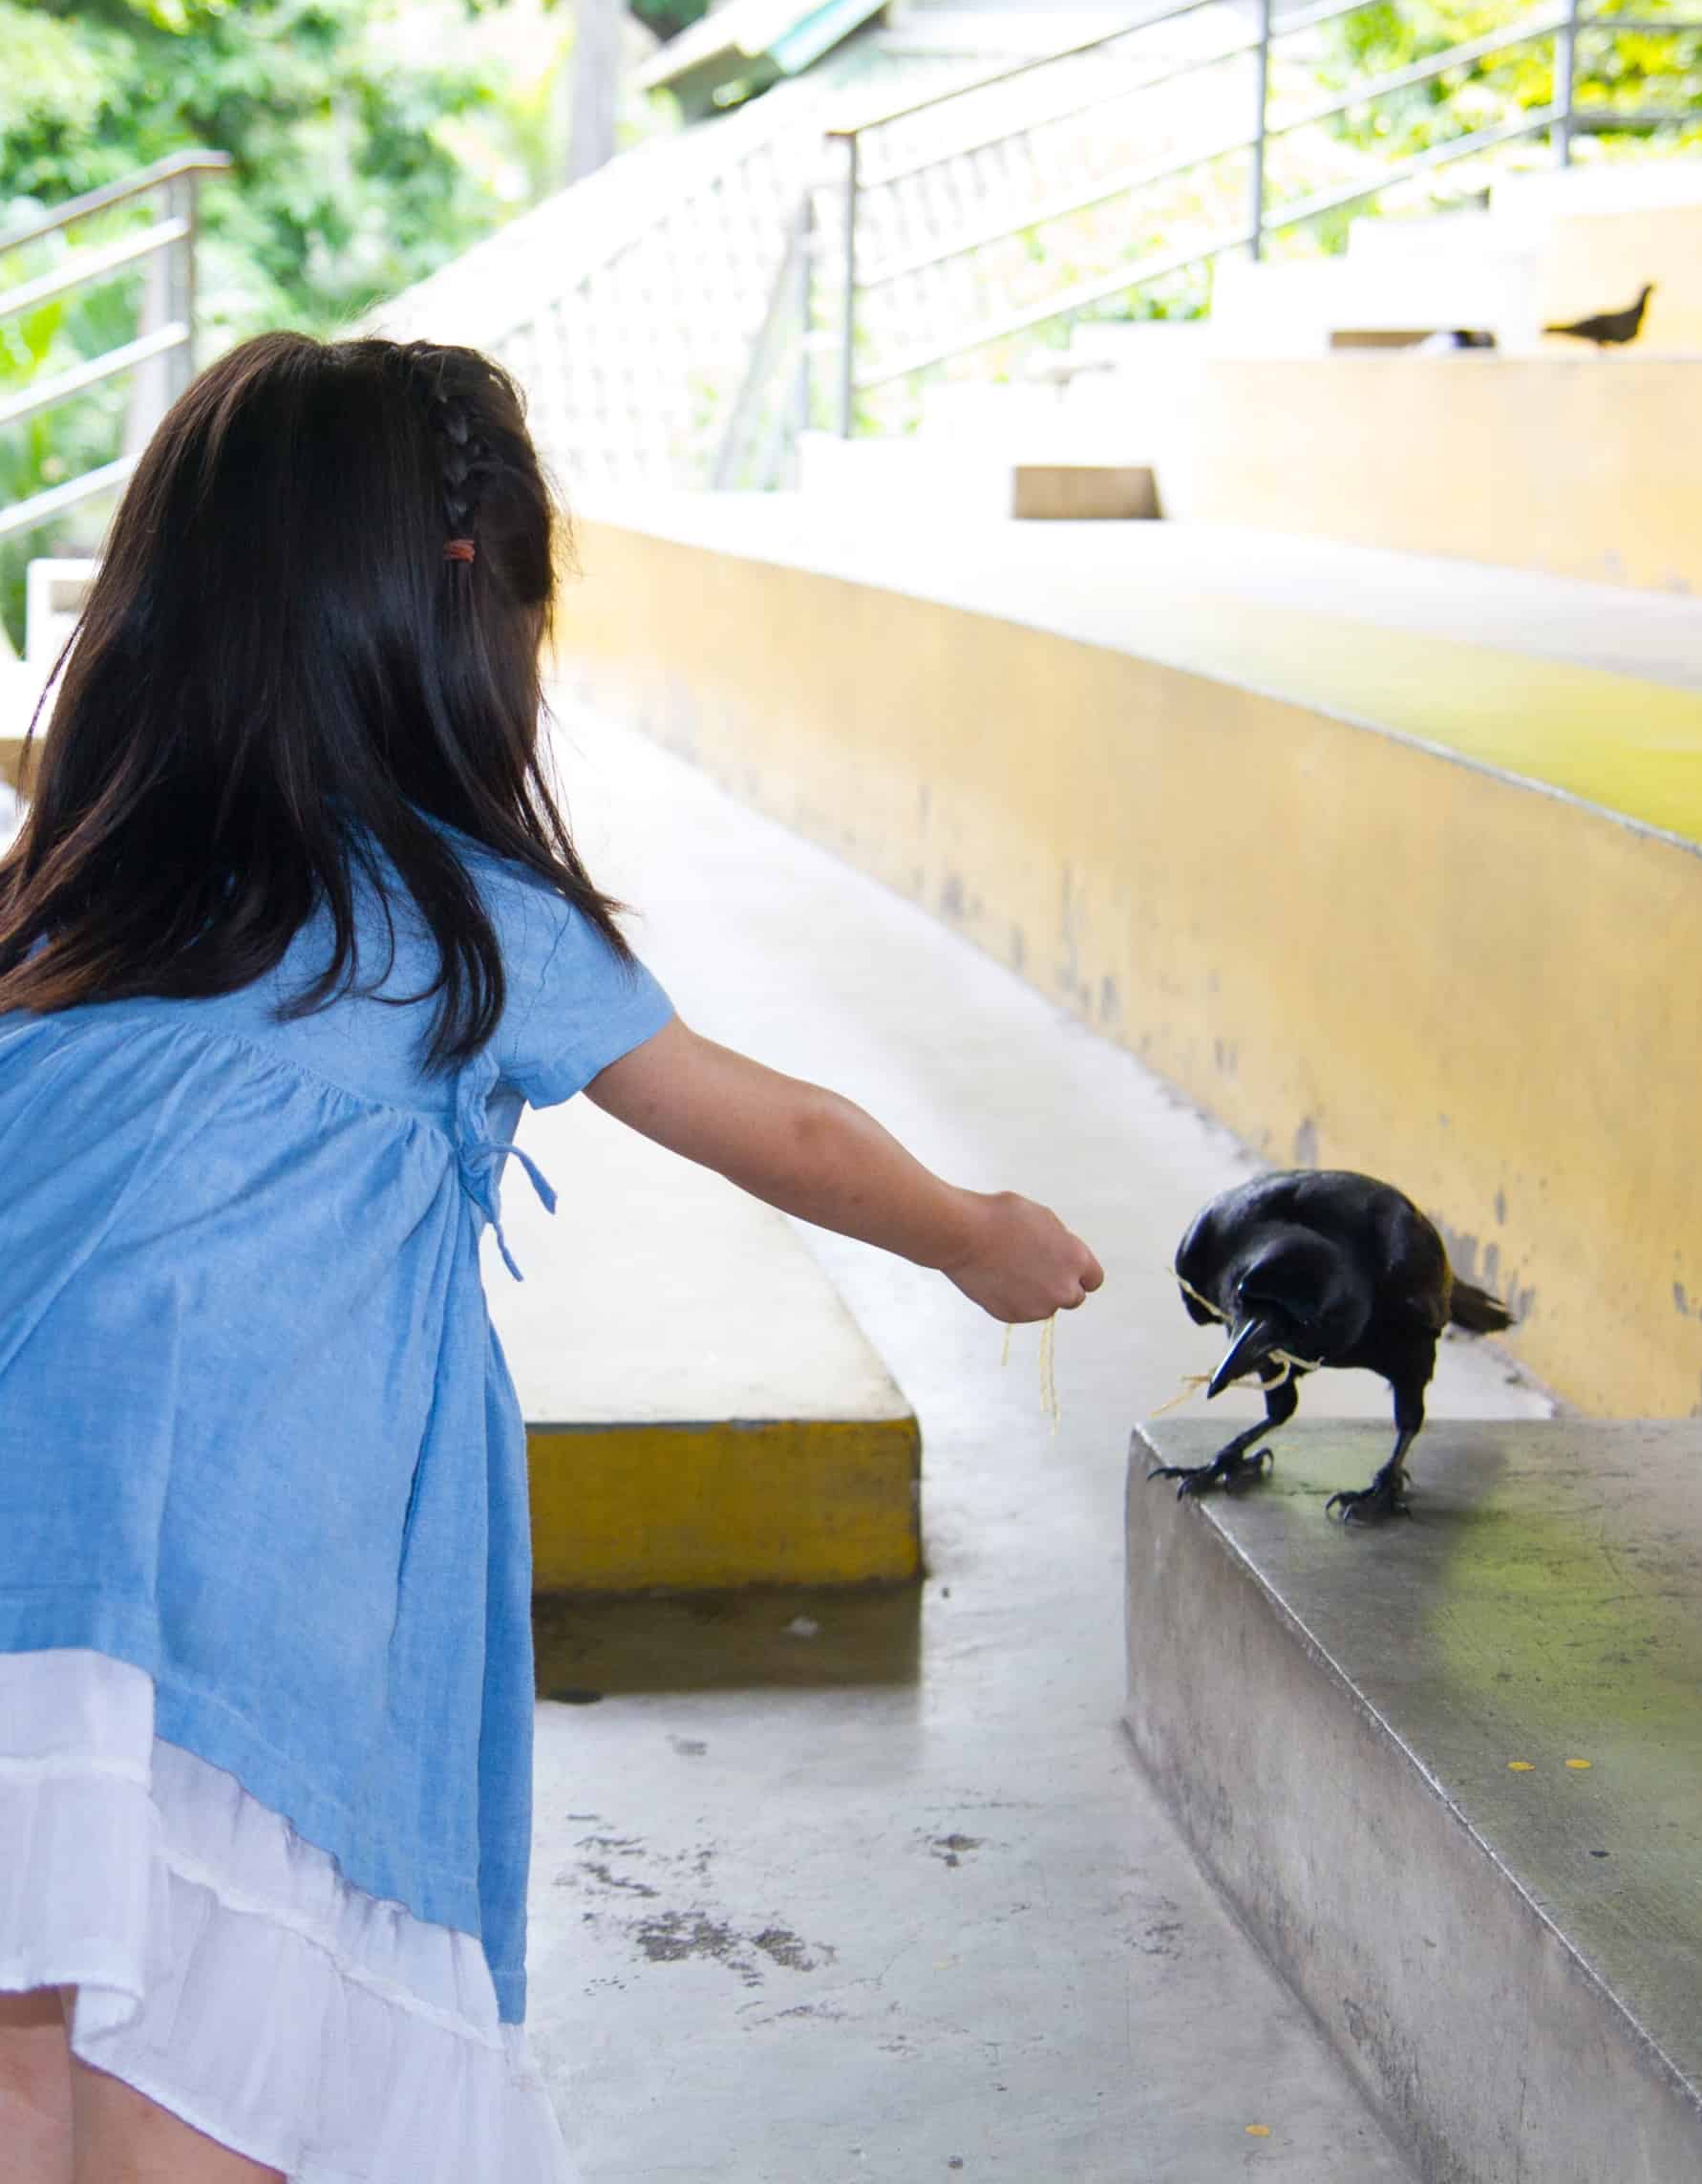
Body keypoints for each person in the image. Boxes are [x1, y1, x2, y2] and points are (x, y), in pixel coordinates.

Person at [0, 333, 1103, 2184]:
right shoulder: (463, 918)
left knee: (29, 2061)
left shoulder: (67, 916)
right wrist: (977, 1234)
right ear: (466, 623)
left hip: (30, 1588)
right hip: (239, 1610)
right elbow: (794, 1134)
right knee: (210, 2071)